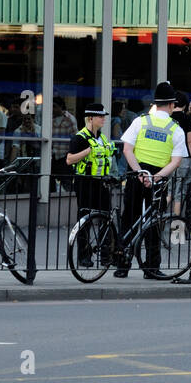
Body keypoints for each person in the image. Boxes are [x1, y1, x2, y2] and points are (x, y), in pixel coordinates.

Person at [117, 81, 187, 278]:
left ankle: (122, 264)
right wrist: (156, 177)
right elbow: (176, 161)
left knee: (129, 217)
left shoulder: (141, 121)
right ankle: (152, 267)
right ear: (172, 105)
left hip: (136, 174)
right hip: (159, 178)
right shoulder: (176, 129)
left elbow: (127, 149)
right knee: (155, 222)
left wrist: (139, 172)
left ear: (155, 103)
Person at [65, 104, 117, 266]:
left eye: (104, 116)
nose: (103, 119)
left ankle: (105, 254)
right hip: (85, 183)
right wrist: (86, 152)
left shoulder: (101, 137)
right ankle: (83, 256)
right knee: (85, 220)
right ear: (90, 118)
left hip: (101, 182)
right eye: (100, 116)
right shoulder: (80, 137)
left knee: (106, 217)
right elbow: (69, 159)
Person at [168, 91, 191, 217]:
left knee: (169, 191)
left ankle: (160, 217)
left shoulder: (168, 119)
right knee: (180, 192)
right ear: (185, 105)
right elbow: (190, 141)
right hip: (184, 158)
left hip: (169, 159)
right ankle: (176, 225)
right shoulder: (186, 118)